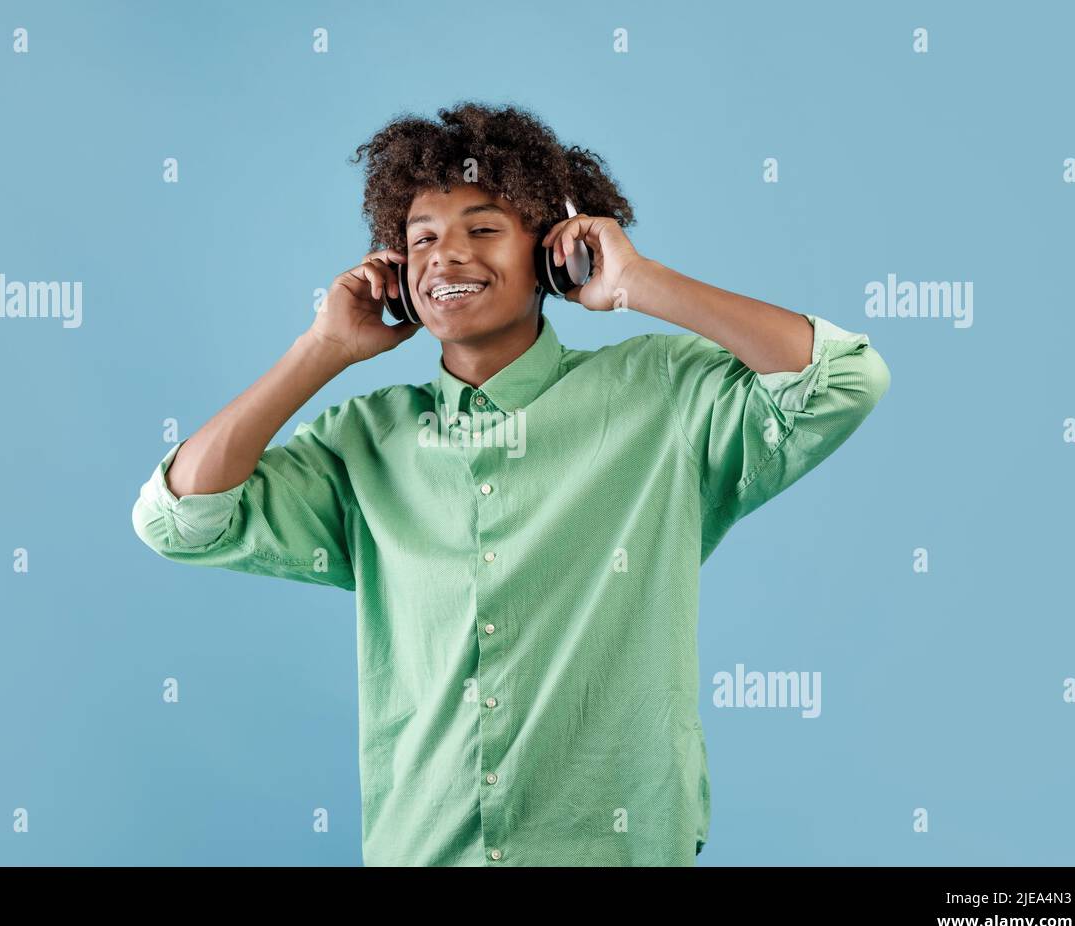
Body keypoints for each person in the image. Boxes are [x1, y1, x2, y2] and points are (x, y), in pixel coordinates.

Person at [131, 101, 890, 866]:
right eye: (421, 239)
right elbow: (181, 517)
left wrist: (639, 281)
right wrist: (320, 350)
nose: (445, 258)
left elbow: (843, 379)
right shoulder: (363, 442)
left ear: (553, 256)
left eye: (484, 230)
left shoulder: (661, 397)